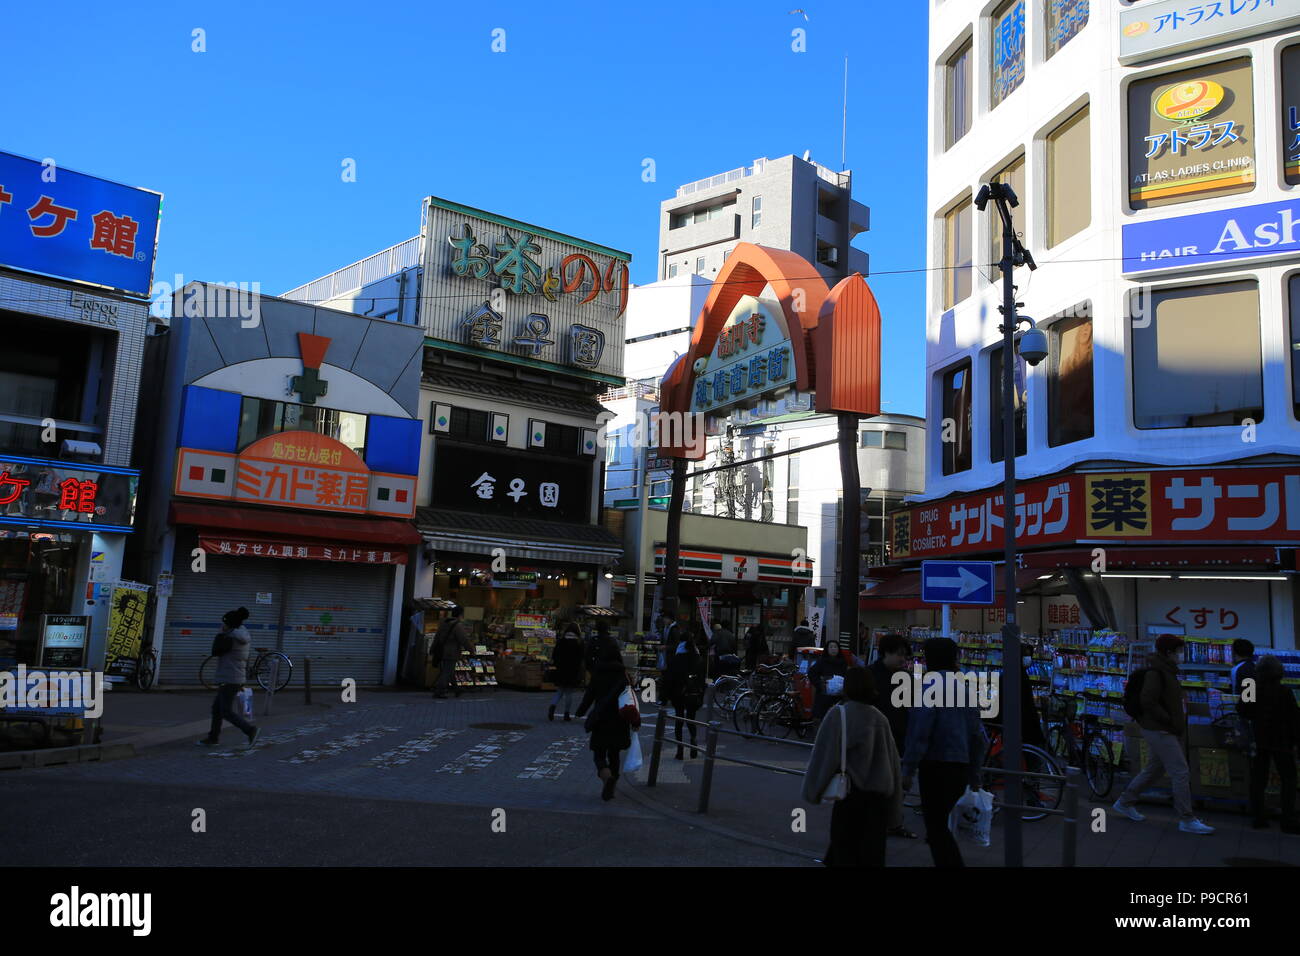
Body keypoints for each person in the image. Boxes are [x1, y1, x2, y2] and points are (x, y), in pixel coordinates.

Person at [1112, 634, 1215, 834]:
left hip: (1163, 728)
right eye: (1179, 651)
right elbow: (1147, 700)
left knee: (1154, 769)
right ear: (1169, 652)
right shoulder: (1156, 673)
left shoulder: (1167, 671)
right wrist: (1167, 719)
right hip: (1160, 729)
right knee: (1180, 771)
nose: (1181, 655)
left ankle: (1125, 801)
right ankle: (1187, 818)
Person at [803, 668, 904, 867]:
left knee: (844, 851)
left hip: (850, 797)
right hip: (877, 802)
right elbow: (893, 766)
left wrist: (812, 791)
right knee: (871, 856)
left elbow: (823, 757)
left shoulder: (839, 715)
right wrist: (895, 813)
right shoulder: (880, 718)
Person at [899, 637, 985, 867]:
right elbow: (978, 736)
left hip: (935, 766)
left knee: (936, 828)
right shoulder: (965, 689)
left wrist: (908, 770)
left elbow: (919, 733)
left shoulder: (928, 688)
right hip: (960, 767)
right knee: (942, 825)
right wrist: (975, 774)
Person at [1243, 655, 1299, 832]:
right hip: (1282, 741)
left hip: (1259, 739)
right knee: (1289, 779)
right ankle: (1288, 819)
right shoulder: (1285, 691)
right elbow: (1294, 718)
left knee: (1258, 779)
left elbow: (1242, 710)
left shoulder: (1250, 687)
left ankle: (1258, 817)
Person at [575, 634, 632, 801]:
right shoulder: (624, 675)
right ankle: (613, 782)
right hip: (620, 719)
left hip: (601, 718)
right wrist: (635, 720)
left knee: (599, 753)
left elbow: (589, 696)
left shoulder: (598, 673)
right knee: (614, 753)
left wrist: (580, 711)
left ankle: (606, 777)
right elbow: (631, 700)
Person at [197, 607, 259, 748]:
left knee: (225, 711)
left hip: (229, 677)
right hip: (234, 677)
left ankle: (250, 730)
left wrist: (221, 633)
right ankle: (213, 738)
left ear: (229, 624)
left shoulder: (230, 637)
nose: (222, 625)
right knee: (217, 709)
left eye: (224, 623)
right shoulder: (241, 633)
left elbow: (216, 651)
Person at [663, 629, 706, 759]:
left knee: (679, 720)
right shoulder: (698, 658)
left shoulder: (676, 658)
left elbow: (668, 679)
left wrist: (664, 696)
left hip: (678, 693)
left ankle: (680, 750)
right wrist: (701, 695)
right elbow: (702, 680)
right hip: (693, 693)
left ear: (680, 642)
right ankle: (693, 743)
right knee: (691, 720)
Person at [432, 605, 474, 699]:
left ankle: (457, 689)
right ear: (461, 614)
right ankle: (439, 691)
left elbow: (437, 637)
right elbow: (464, 640)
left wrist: (432, 649)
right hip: (451, 652)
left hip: (441, 651)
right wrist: (471, 651)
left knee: (449, 671)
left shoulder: (444, 623)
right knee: (447, 672)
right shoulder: (458, 626)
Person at [549, 623, 585, 721]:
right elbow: (582, 657)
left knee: (560, 690)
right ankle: (566, 713)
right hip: (573, 670)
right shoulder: (579, 642)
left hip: (561, 669)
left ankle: (552, 706)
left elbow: (554, 655)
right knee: (569, 693)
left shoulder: (561, 641)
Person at [808, 639, 850, 721]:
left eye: (835, 647)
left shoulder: (843, 662)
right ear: (827, 649)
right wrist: (820, 684)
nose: (833, 649)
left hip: (839, 697)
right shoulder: (821, 662)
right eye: (831, 647)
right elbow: (812, 673)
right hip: (824, 697)